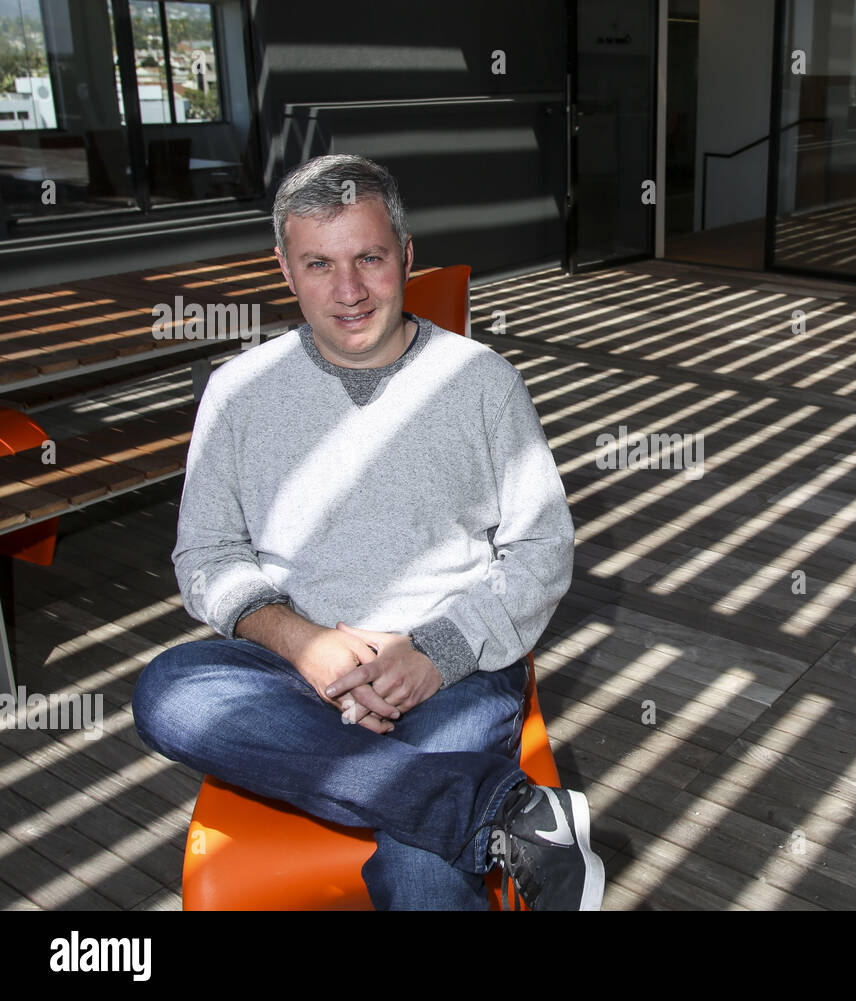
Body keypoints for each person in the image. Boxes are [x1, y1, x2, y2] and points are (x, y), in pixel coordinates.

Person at [131, 153, 604, 911]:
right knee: (169, 692)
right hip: (297, 670)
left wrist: (434, 652)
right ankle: (496, 812)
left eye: (369, 259)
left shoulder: (481, 382)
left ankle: (444, 805)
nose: (348, 291)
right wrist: (302, 642)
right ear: (284, 268)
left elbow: (542, 550)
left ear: (406, 257)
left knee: (420, 872)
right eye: (319, 263)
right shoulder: (239, 392)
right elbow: (207, 554)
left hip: (454, 665)